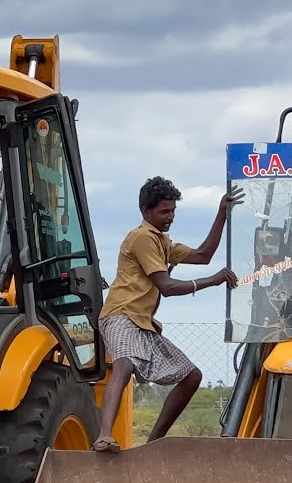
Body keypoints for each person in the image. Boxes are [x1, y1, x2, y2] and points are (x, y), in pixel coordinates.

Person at [92, 176, 242, 453]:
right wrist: (212, 280)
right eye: (164, 211)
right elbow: (167, 287)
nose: (170, 217)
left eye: (173, 211)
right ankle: (104, 436)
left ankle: (153, 444)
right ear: (146, 212)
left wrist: (221, 214)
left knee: (192, 376)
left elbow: (203, 254)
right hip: (120, 315)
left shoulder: (163, 243)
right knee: (124, 363)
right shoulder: (141, 238)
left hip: (144, 323)